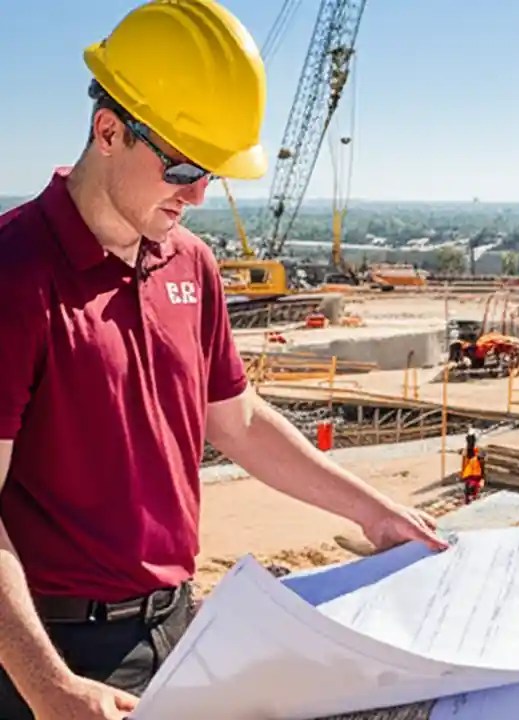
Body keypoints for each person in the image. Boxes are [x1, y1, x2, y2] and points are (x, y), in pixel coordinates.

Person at [0, 2, 449, 718]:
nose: (200, 194)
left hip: (179, 625)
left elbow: (236, 422)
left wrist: (376, 511)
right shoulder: (15, 272)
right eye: (181, 165)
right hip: (51, 651)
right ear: (108, 130)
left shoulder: (192, 265)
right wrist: (47, 687)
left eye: (211, 172)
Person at [460, 427, 486, 505]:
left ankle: (471, 436)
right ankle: (471, 436)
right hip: (473, 473)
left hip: (472, 473)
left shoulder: (476, 457)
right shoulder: (476, 458)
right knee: (471, 451)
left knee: (471, 451)